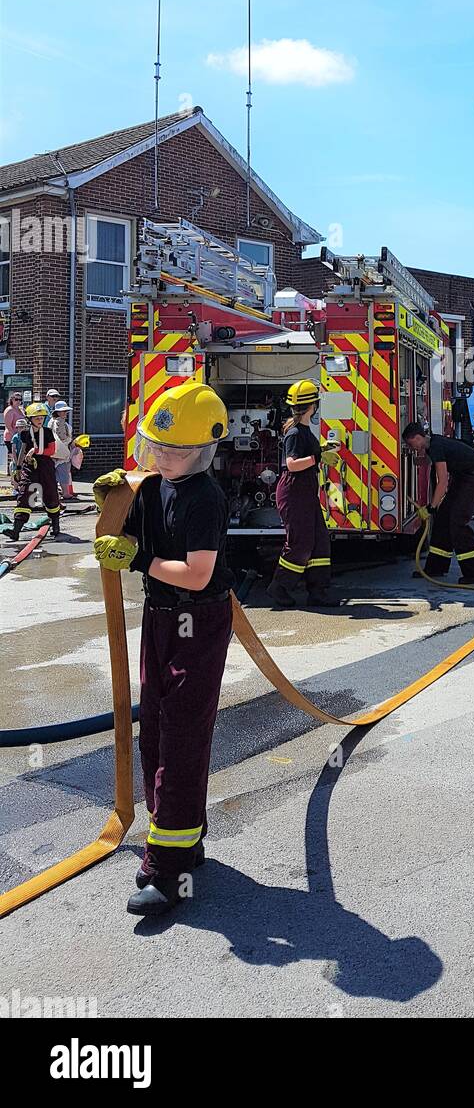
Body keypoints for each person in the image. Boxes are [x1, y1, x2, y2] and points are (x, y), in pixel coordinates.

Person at [92, 381, 234, 916]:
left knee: (180, 735)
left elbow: (197, 575)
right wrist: (115, 503)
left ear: (204, 451)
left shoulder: (204, 498)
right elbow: (132, 523)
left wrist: (137, 561)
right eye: (158, 447)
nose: (164, 457)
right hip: (161, 617)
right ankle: (183, 839)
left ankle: (167, 870)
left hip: (195, 620)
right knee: (155, 724)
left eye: (177, 451)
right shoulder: (157, 483)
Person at [267, 379, 335, 609]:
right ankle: (280, 587)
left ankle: (318, 591)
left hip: (305, 493)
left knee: (319, 541)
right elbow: (292, 464)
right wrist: (318, 458)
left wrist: (321, 450)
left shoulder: (304, 430)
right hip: (294, 493)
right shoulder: (295, 433)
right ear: (313, 406)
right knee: (300, 543)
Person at [404, 420, 474, 583]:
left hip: (472, 479)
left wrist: (431, 507)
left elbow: (442, 481)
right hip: (463, 478)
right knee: (443, 520)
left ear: (418, 437)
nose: (410, 447)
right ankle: (436, 568)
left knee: (457, 522)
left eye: (410, 443)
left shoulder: (435, 447)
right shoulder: (433, 444)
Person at [3, 401, 62, 541]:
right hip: (30, 467)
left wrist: (35, 450)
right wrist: (17, 469)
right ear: (30, 419)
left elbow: (52, 451)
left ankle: (56, 526)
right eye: (37, 418)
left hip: (45, 466)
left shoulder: (47, 432)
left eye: (42, 418)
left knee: (51, 494)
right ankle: (15, 531)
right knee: (25, 494)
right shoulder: (24, 434)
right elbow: (22, 451)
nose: (40, 420)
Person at [50, 399, 75, 502]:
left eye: (65, 411)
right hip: (61, 451)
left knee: (54, 474)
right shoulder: (60, 422)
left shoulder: (51, 422)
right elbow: (63, 437)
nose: (65, 413)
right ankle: (65, 493)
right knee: (63, 472)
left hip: (53, 451)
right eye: (63, 411)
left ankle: (56, 493)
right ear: (58, 412)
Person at [2, 390, 24, 479]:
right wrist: (16, 436)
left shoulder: (21, 409)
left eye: (20, 399)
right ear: (12, 400)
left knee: (20, 459)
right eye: (16, 399)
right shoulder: (9, 410)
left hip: (21, 438)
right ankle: (13, 479)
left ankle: (20, 479)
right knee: (14, 460)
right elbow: (8, 426)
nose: (18, 401)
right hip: (11, 438)